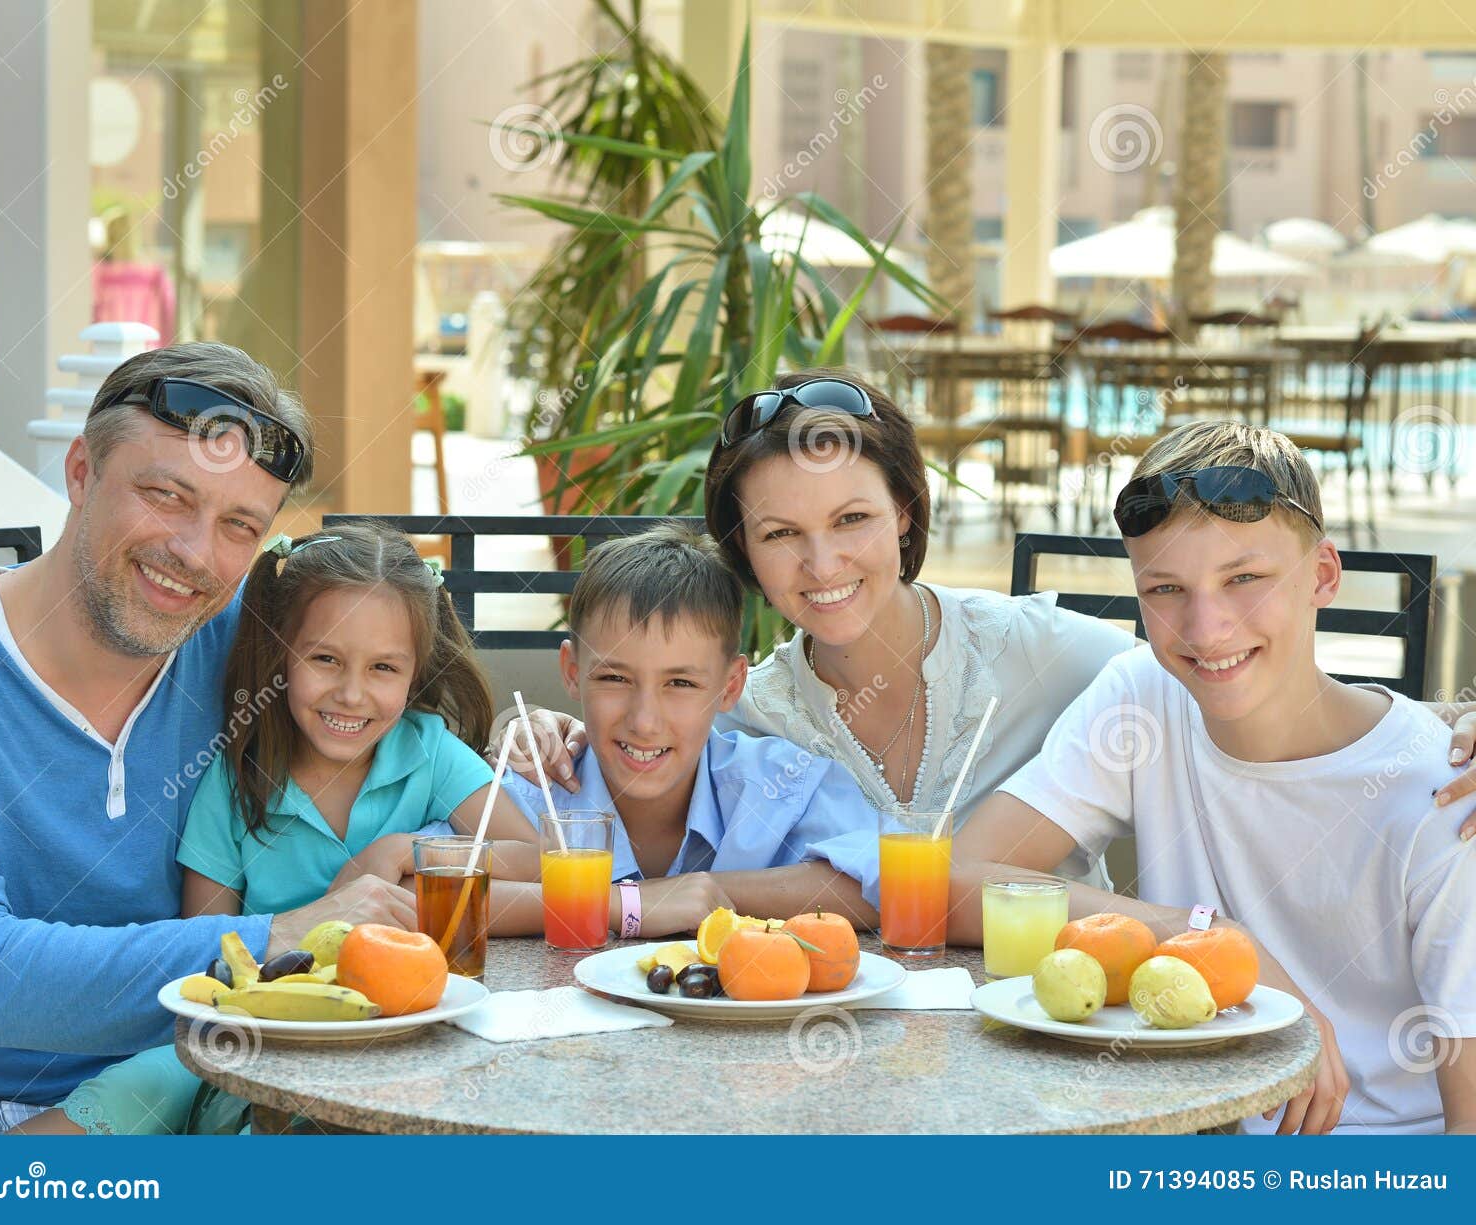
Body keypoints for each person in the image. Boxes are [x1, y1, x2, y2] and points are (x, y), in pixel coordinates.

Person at [498, 371, 1476, 866]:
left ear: (907, 517)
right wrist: (553, 728)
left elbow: (1229, 669)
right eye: (781, 533)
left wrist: (1448, 723)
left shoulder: (1048, 655)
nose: (823, 562)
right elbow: (639, 755)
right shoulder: (743, 715)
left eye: (851, 520)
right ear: (745, 554)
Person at [0, 344, 421, 1133]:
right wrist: (273, 936)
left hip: (197, 1075)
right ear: (80, 473)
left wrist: (533, 734)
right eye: (166, 495)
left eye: (239, 525)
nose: (195, 554)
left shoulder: (250, 648)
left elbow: (414, 734)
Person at [950, 421, 1476, 1136]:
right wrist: (1213, 937)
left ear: (1323, 574)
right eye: (1165, 588)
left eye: (1244, 579)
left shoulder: (1445, 797)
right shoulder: (1144, 697)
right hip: (1186, 1140)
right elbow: (956, 884)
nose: (1206, 627)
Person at [12, 522, 538, 1134]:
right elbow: (208, 954)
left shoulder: (428, 750)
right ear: (280, 653)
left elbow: (533, 855)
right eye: (325, 659)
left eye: (384, 668)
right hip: (258, 1034)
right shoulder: (235, 783)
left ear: (415, 671)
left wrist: (403, 852)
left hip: (410, 1030)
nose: (351, 693)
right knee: (133, 1091)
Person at [491, 523, 882, 938]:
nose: (644, 721)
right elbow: (426, 888)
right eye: (614, 679)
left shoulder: (778, 786)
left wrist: (701, 892)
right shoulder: (530, 792)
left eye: (680, 684)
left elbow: (882, 883)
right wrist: (627, 905)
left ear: (730, 686)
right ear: (573, 672)